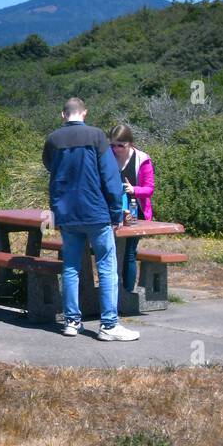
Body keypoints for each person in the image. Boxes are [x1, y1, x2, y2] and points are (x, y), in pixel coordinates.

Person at [42, 97, 138, 341]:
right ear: (84, 113)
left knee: (71, 267)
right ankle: (108, 325)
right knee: (107, 267)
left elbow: (49, 166)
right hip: (96, 213)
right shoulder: (97, 137)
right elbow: (110, 178)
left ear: (63, 114)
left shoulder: (53, 139)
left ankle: (72, 322)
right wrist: (117, 212)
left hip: (66, 213)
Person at [108, 124, 156, 294]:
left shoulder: (142, 159)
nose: (116, 149)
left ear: (130, 144)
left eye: (120, 145)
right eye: (112, 145)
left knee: (129, 252)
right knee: (110, 251)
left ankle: (126, 294)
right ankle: (112, 292)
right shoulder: (107, 156)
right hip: (112, 210)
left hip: (135, 210)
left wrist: (134, 189)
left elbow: (149, 188)